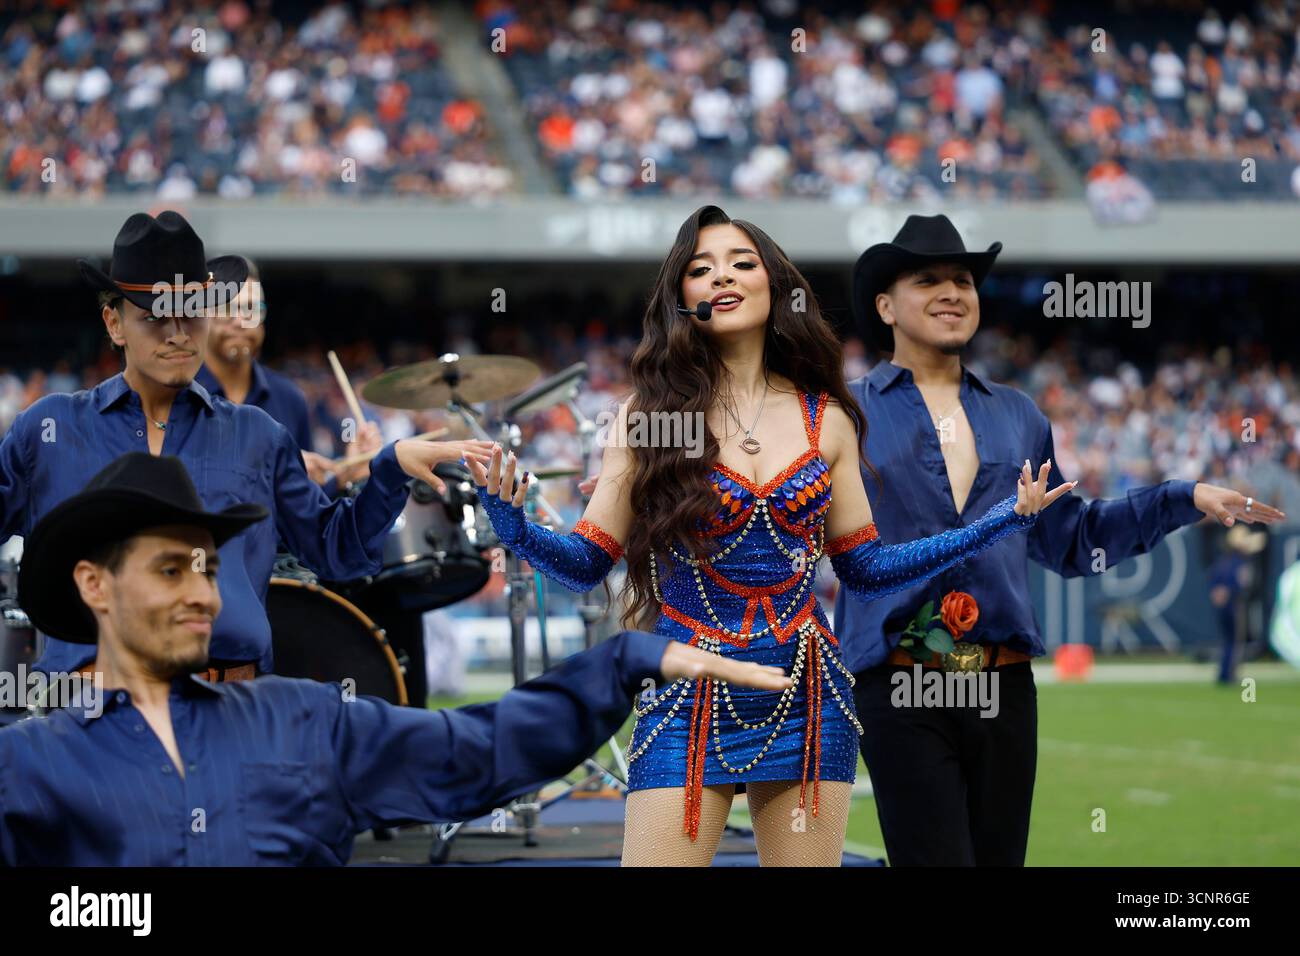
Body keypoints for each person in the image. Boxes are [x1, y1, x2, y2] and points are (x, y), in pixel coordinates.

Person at [465, 205, 1071, 867]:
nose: (721, 277)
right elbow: (586, 562)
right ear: (683, 297)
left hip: (808, 694)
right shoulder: (646, 418)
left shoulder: (828, 418)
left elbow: (865, 567)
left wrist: (1001, 521)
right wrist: (511, 521)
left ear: (775, 284)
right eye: (700, 269)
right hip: (688, 692)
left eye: (741, 262)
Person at [0, 452, 789, 866]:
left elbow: (481, 750)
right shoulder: (27, 768)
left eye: (209, 568)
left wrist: (629, 660)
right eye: (172, 569)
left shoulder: (302, 718)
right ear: (94, 585)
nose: (206, 594)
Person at [839, 213, 1285, 865]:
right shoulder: (843, 412)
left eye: (963, 279)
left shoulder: (1019, 414)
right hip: (902, 688)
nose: (952, 292)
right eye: (928, 279)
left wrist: (1181, 497)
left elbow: (1072, 541)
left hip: (1004, 690)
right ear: (885, 305)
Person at [0, 210, 494, 679]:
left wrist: (390, 468)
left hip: (229, 709)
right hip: (89, 719)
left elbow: (336, 551)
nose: (177, 333)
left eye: (192, 312)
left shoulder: (259, 435)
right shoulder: (48, 429)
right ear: (114, 323)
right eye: (155, 315)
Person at [196, 258, 382, 490]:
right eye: (225, 308)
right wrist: (278, 467)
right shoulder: (178, 394)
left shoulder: (289, 398)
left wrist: (344, 478)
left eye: (252, 309)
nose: (240, 321)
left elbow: (304, 504)